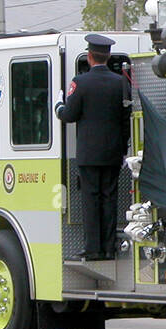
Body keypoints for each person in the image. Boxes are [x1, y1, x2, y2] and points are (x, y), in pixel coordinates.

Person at [56, 34, 133, 261]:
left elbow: (69, 115)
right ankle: (109, 248)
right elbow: (125, 117)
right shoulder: (121, 82)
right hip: (112, 152)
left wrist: (59, 106)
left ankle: (93, 249)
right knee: (110, 199)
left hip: (89, 154)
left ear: (89, 57)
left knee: (91, 200)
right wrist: (122, 146)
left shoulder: (80, 82)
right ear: (108, 57)